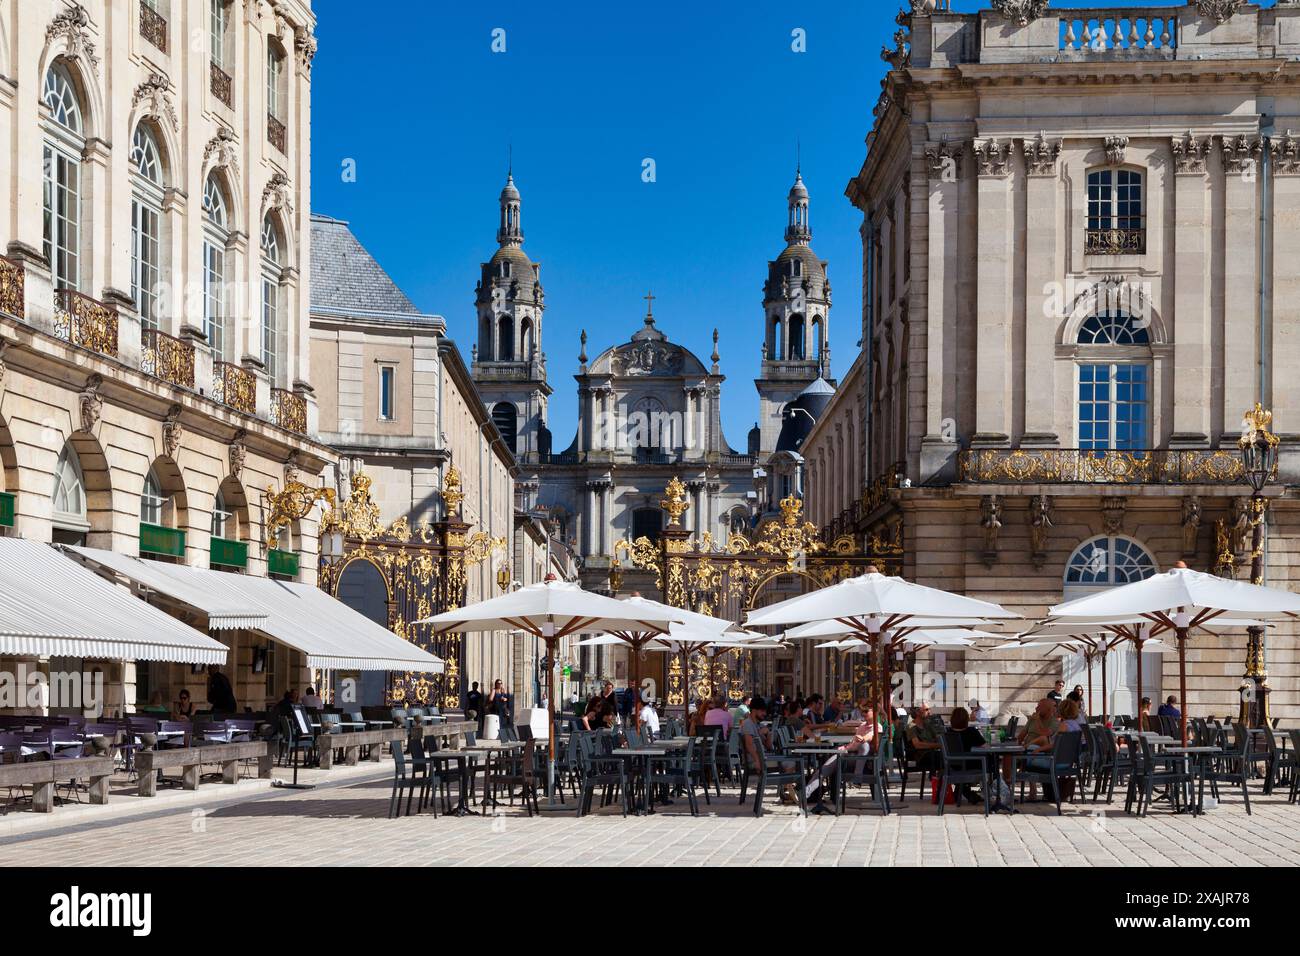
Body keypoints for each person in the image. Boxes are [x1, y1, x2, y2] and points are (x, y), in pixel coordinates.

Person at [948, 707, 986, 806]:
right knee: (988, 761)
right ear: (966, 719)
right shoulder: (971, 731)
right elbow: (984, 746)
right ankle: (974, 791)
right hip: (971, 764)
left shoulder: (948, 733)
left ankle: (963, 790)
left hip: (952, 765)